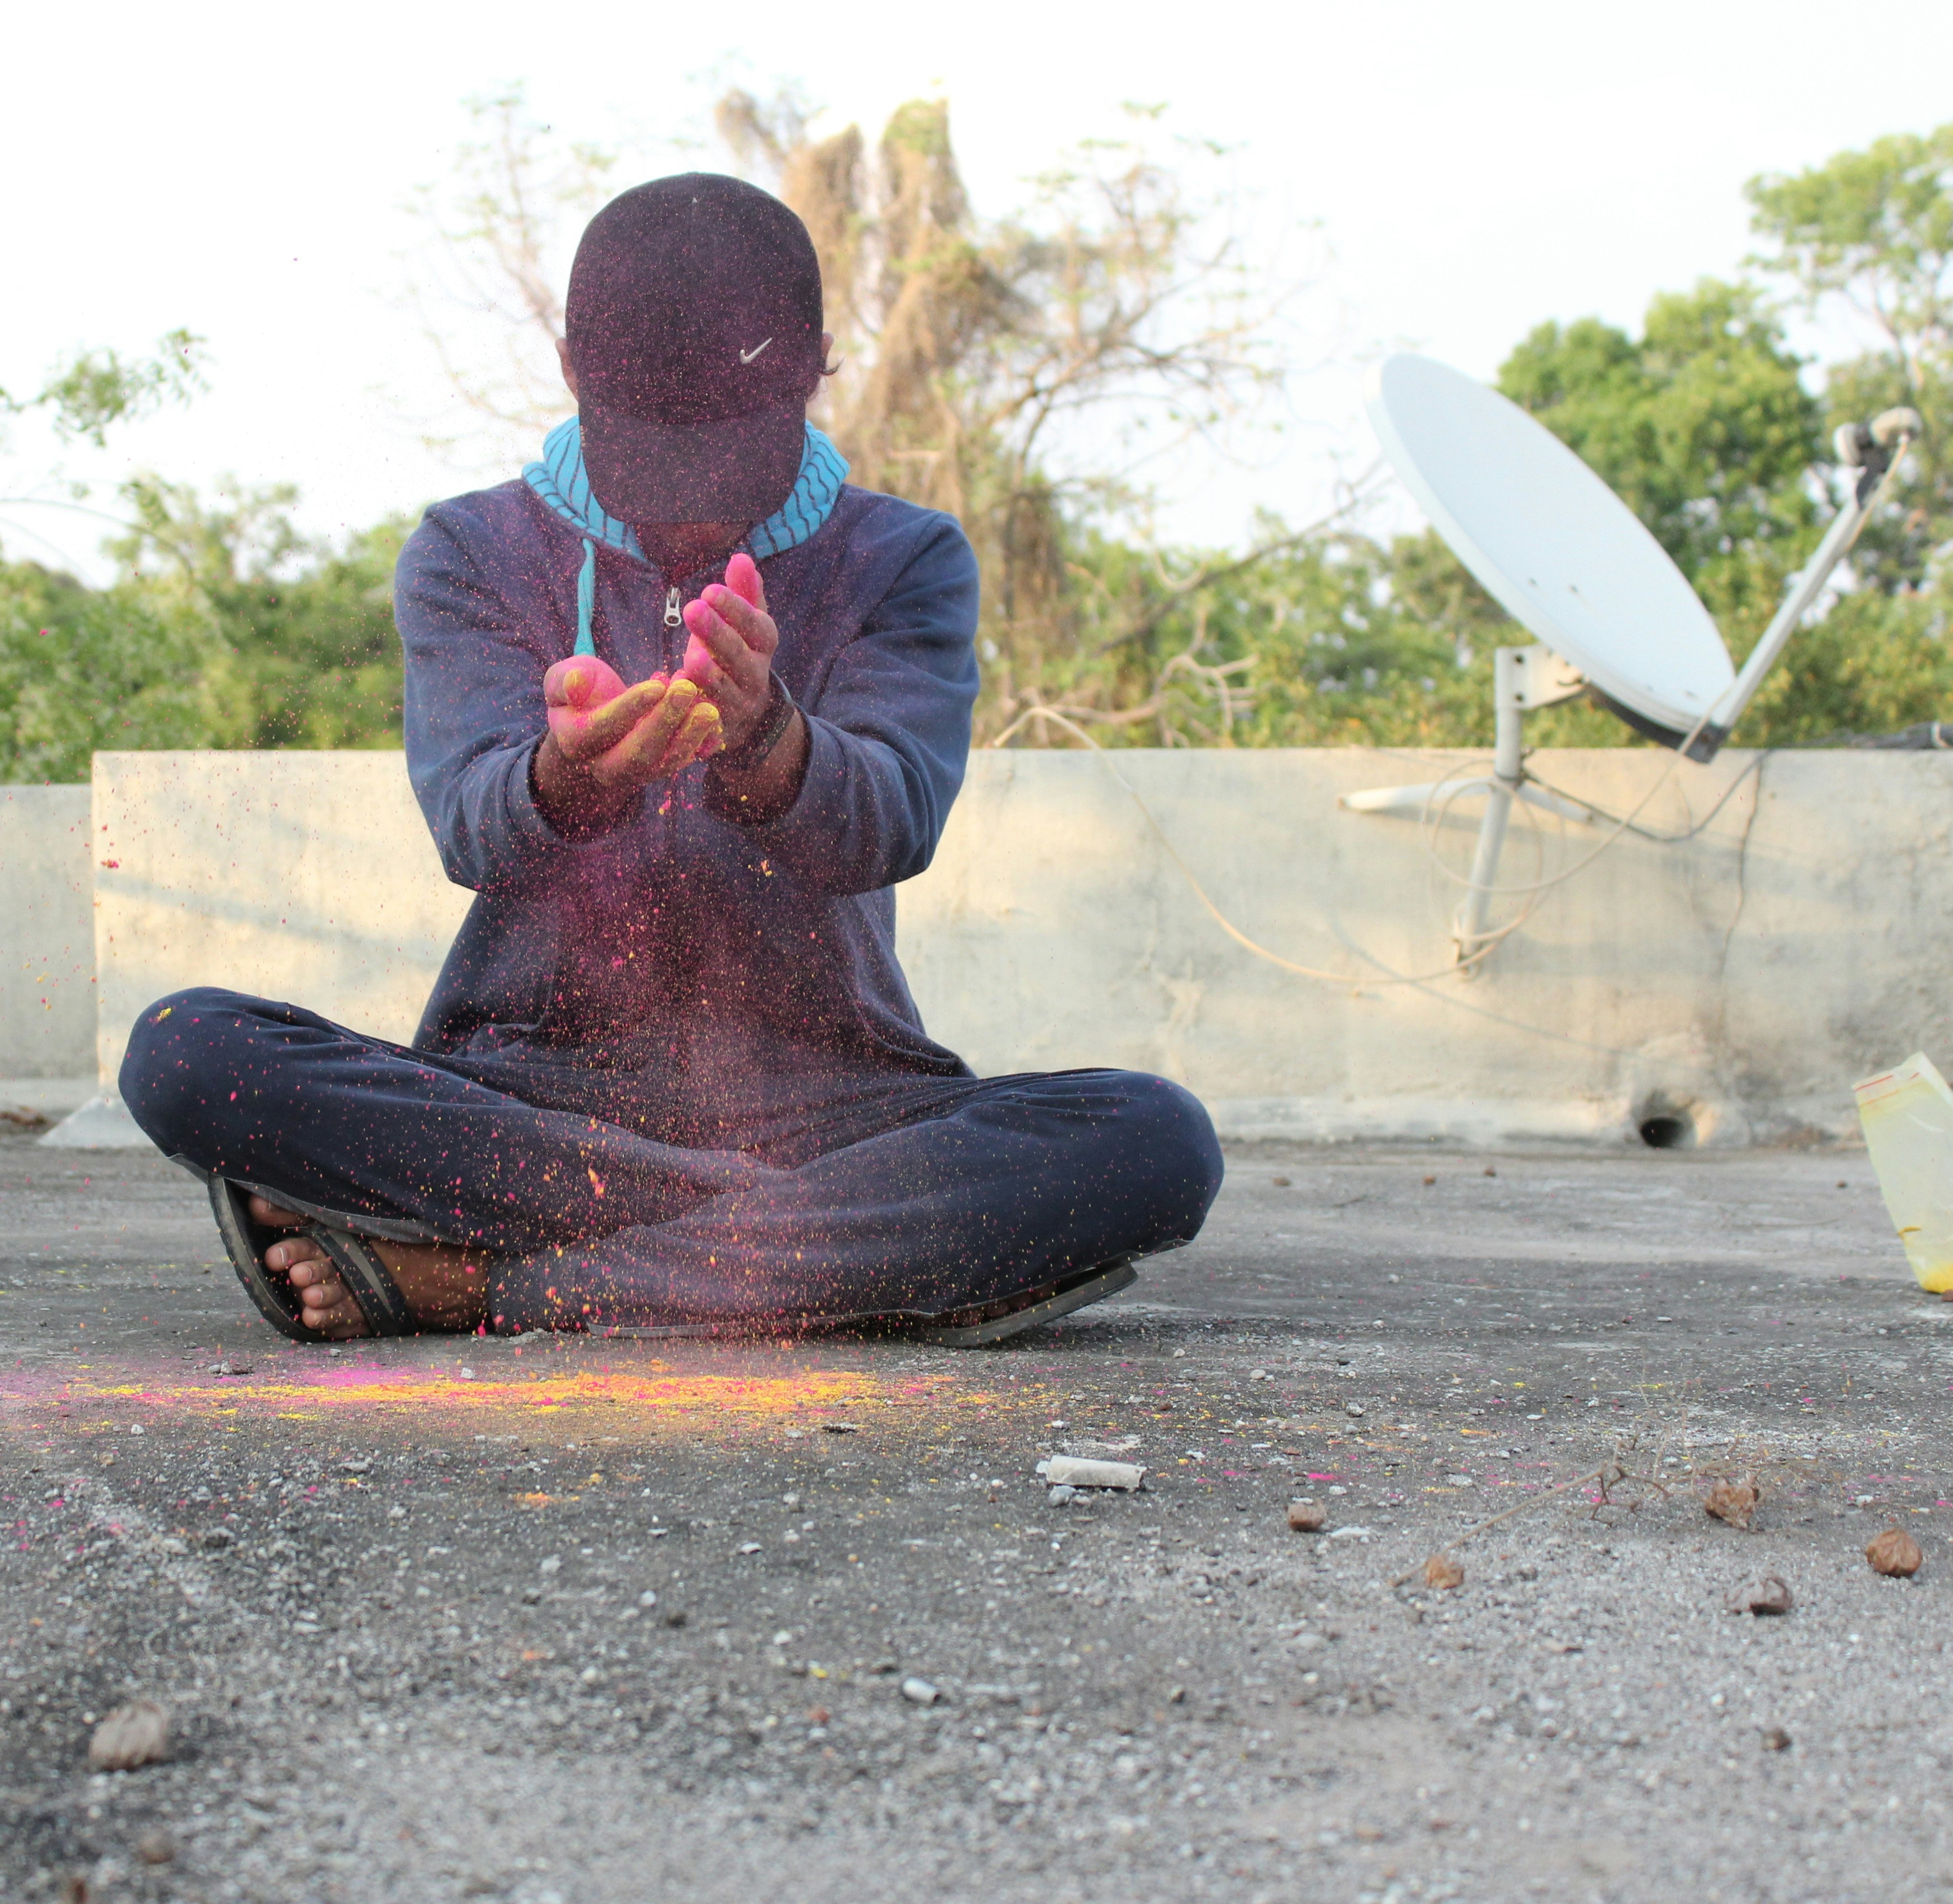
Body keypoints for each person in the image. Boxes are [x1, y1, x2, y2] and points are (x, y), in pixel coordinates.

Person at [121, 172, 1222, 1343]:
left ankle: (492, 1282)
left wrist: (769, 741)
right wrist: (570, 779)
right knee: (189, 1052)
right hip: (526, 1101)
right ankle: (845, 1250)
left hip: (830, 1097)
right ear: (569, 369)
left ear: (817, 369)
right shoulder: (474, 550)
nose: (689, 518)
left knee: (1155, 1140)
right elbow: (469, 827)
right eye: (652, 460)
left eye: (725, 465)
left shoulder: (904, 557)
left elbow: (894, 818)